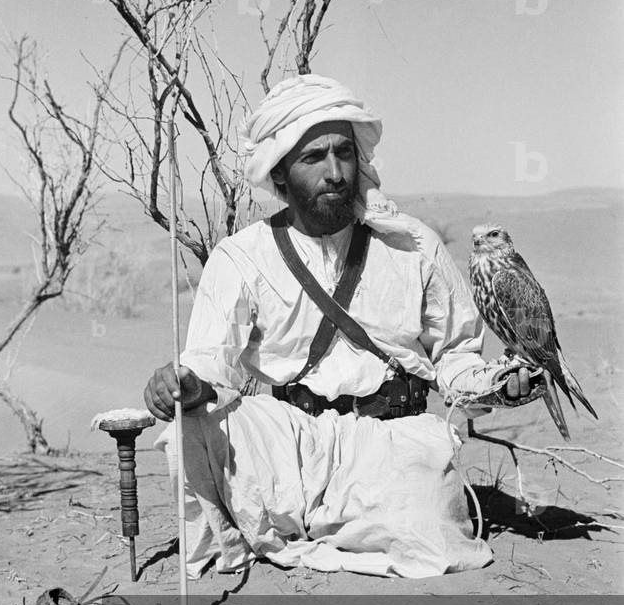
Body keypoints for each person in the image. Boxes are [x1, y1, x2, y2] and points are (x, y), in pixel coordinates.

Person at [145, 75, 531, 579]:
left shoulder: (412, 246)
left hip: (391, 442)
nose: (334, 172)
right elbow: (210, 364)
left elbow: (456, 353)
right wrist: (183, 386)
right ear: (280, 174)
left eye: (343, 153)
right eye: (313, 158)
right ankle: (304, 522)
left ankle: (299, 527)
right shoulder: (243, 258)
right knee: (189, 426)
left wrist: (497, 385)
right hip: (291, 443)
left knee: (432, 541)